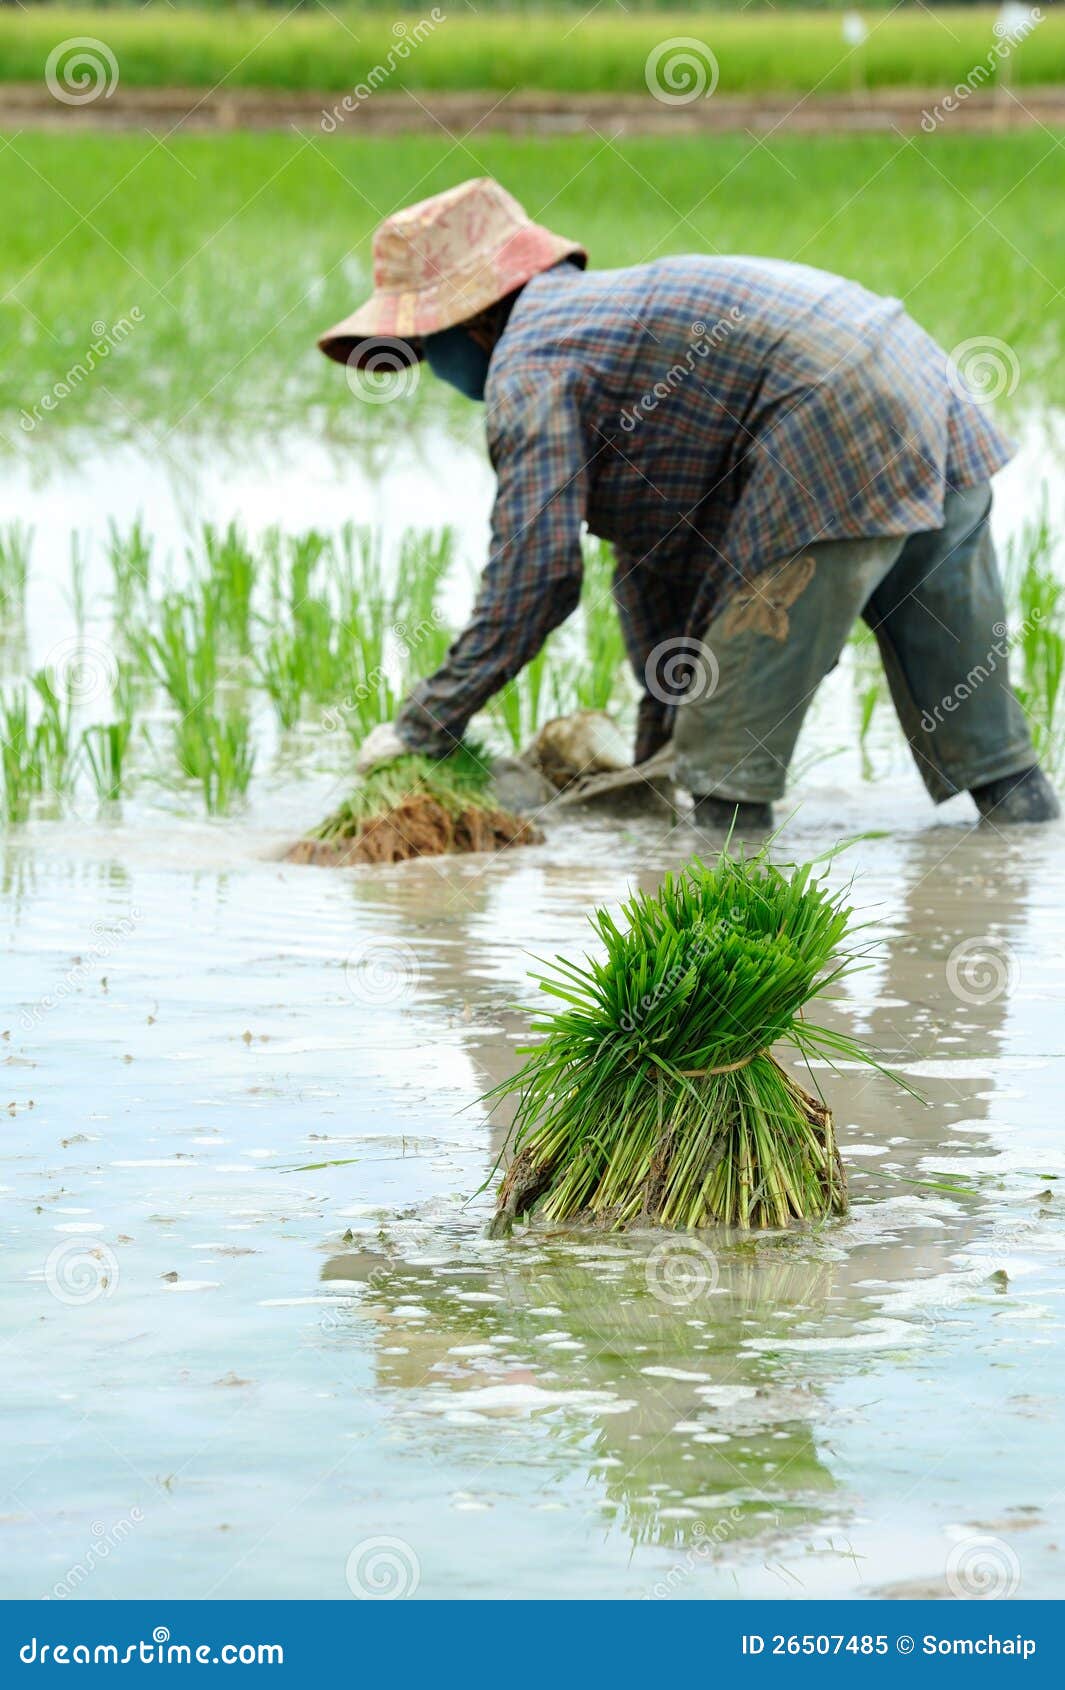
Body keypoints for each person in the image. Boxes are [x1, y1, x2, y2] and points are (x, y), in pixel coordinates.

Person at [317, 176, 1058, 828]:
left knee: (724, 765)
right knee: (992, 756)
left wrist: (424, 723)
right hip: (922, 380)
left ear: (473, 320)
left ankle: (722, 937)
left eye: (420, 346)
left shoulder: (530, 363)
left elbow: (534, 577)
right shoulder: (610, 333)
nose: (423, 365)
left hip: (825, 417)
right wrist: (650, 762)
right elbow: (663, 588)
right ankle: (1019, 873)